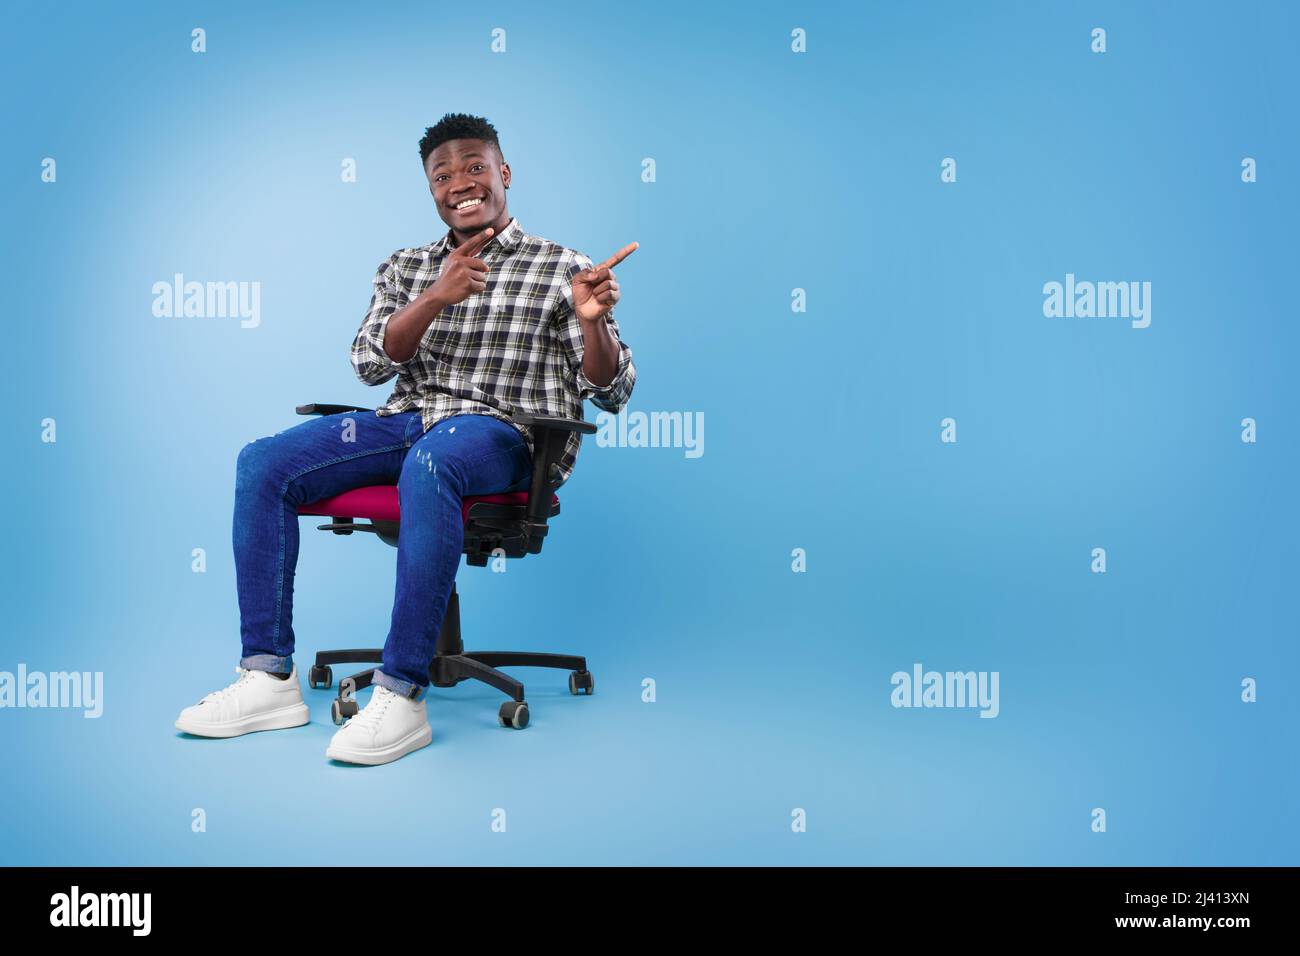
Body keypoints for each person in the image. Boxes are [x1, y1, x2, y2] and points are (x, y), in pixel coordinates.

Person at [174, 112, 637, 765]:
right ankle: (267, 679)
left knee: (432, 462)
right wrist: (434, 298)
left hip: (503, 431)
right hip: (407, 418)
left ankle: (401, 694)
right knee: (263, 463)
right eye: (442, 174)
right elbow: (370, 362)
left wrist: (595, 322)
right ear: (432, 190)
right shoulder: (406, 267)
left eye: (475, 166)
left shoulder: (561, 267)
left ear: (503, 173)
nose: (460, 183)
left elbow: (613, 390)